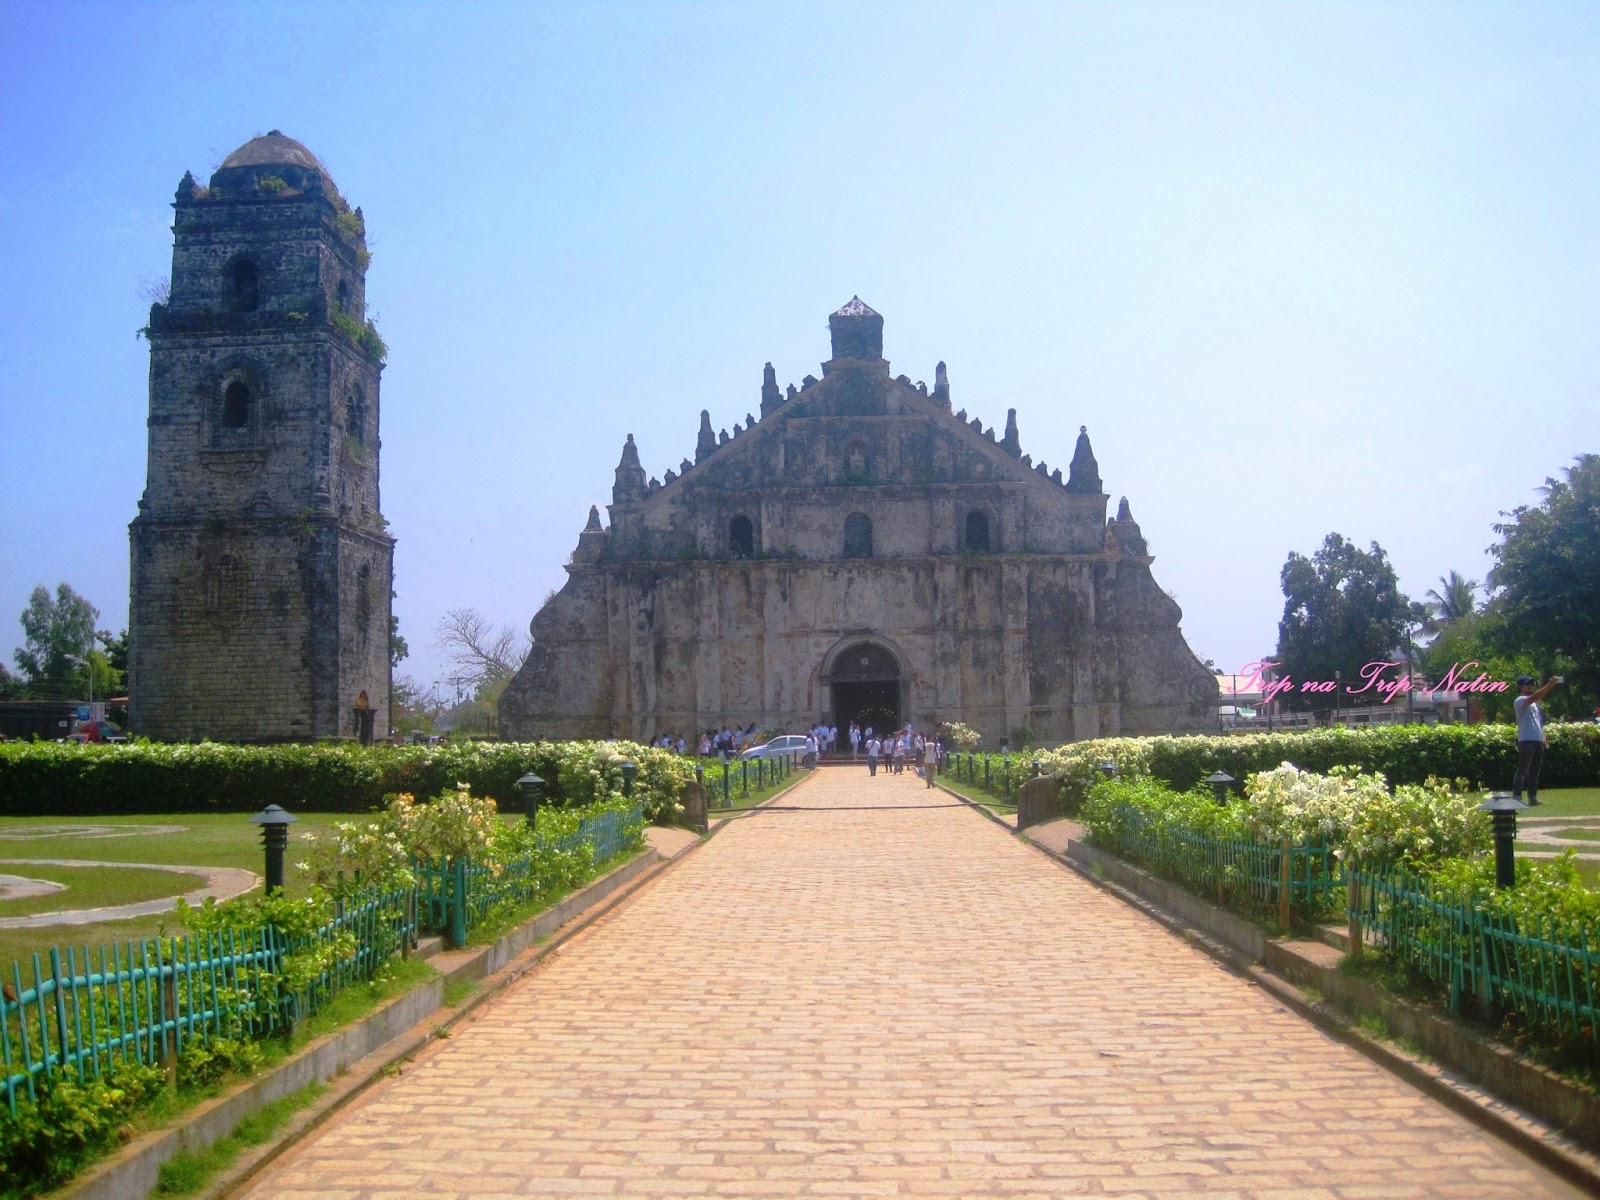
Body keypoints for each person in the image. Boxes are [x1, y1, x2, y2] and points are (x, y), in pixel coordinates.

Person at [1513, 674, 1562, 805]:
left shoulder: (1535, 704)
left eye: (1531, 684)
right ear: (1521, 687)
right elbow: (1535, 697)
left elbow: (1538, 721)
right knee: (1523, 770)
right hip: (1526, 739)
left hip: (1536, 739)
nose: (1530, 686)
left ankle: (1532, 797)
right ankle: (1517, 796)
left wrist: (1543, 736)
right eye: (1527, 684)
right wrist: (1549, 685)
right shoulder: (1520, 700)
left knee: (1535, 770)